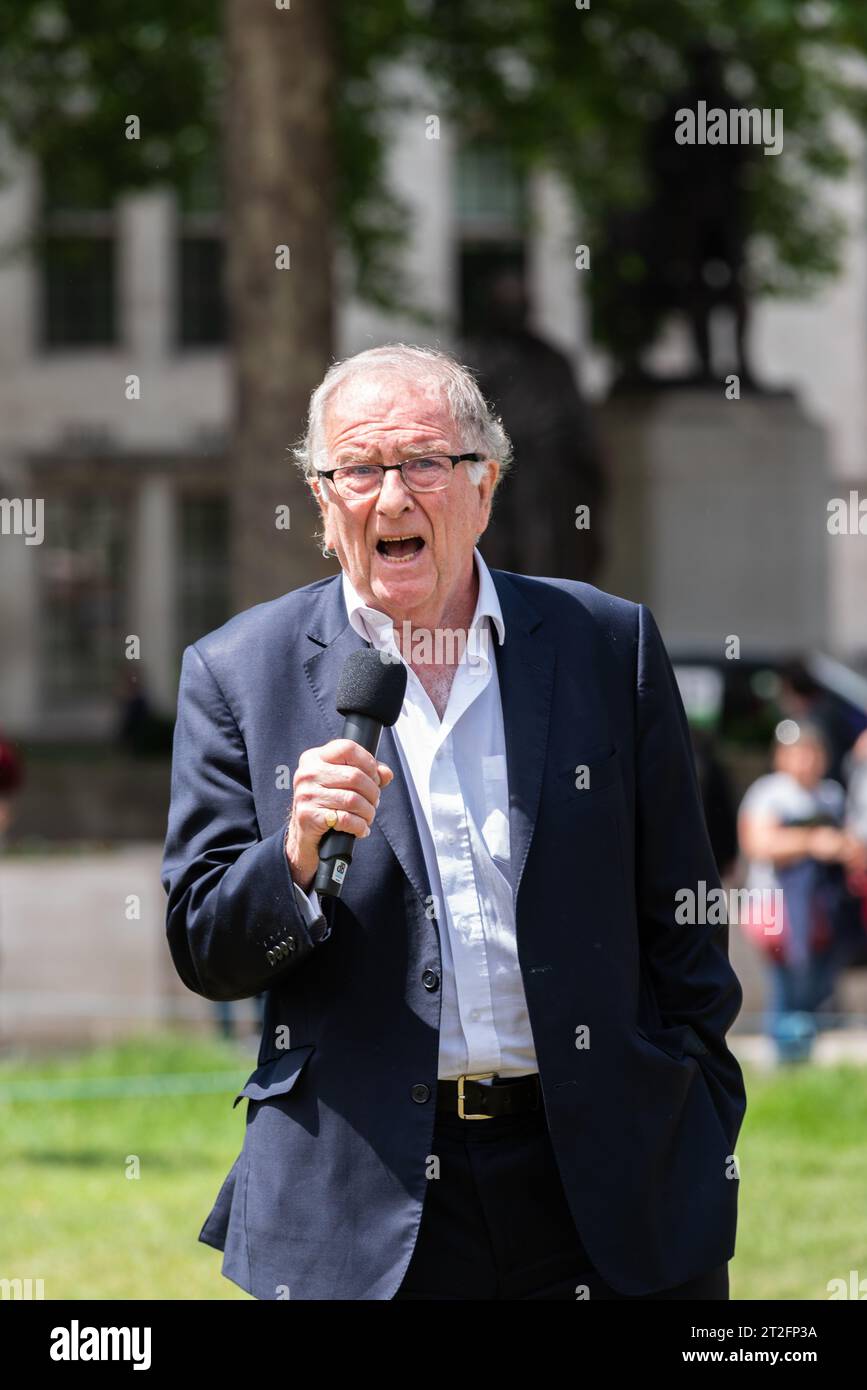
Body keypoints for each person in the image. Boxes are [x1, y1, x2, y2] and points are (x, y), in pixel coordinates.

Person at [162, 343, 746, 1301]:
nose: (391, 498)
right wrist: (295, 856)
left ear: (486, 483)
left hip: (602, 1176)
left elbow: (681, 902)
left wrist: (695, 1096)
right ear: (321, 500)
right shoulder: (238, 671)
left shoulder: (606, 642)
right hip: (366, 1198)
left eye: (424, 463)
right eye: (357, 468)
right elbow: (203, 948)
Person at [737, 721, 865, 1065]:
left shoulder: (830, 794)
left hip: (820, 912)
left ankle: (803, 1063)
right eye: (799, 752)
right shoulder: (769, 793)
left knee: (816, 993)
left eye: (812, 752)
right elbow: (758, 843)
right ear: (781, 756)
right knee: (787, 992)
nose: (807, 760)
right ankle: (784, 1062)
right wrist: (812, 843)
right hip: (778, 911)